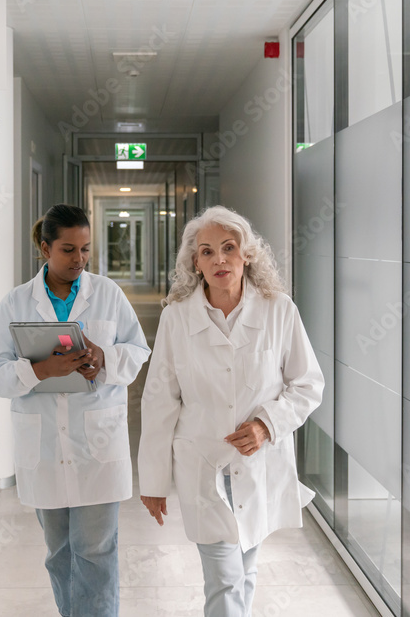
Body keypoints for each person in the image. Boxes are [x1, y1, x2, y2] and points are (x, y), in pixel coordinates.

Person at [138, 206, 323, 617]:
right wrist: (153, 480)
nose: (219, 259)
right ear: (195, 262)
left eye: (229, 248)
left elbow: (308, 384)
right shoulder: (176, 317)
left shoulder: (279, 310)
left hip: (257, 463)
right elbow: (159, 400)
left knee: (244, 569)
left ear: (248, 255)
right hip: (203, 463)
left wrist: (266, 425)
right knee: (224, 578)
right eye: (207, 251)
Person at [0, 204, 150, 617]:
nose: (79, 259)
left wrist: (104, 358)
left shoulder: (107, 293)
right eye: (68, 250)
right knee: (59, 554)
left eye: (86, 249)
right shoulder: (17, 302)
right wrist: (38, 370)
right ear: (45, 248)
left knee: (95, 552)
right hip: (44, 446)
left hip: (98, 444)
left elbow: (138, 350)